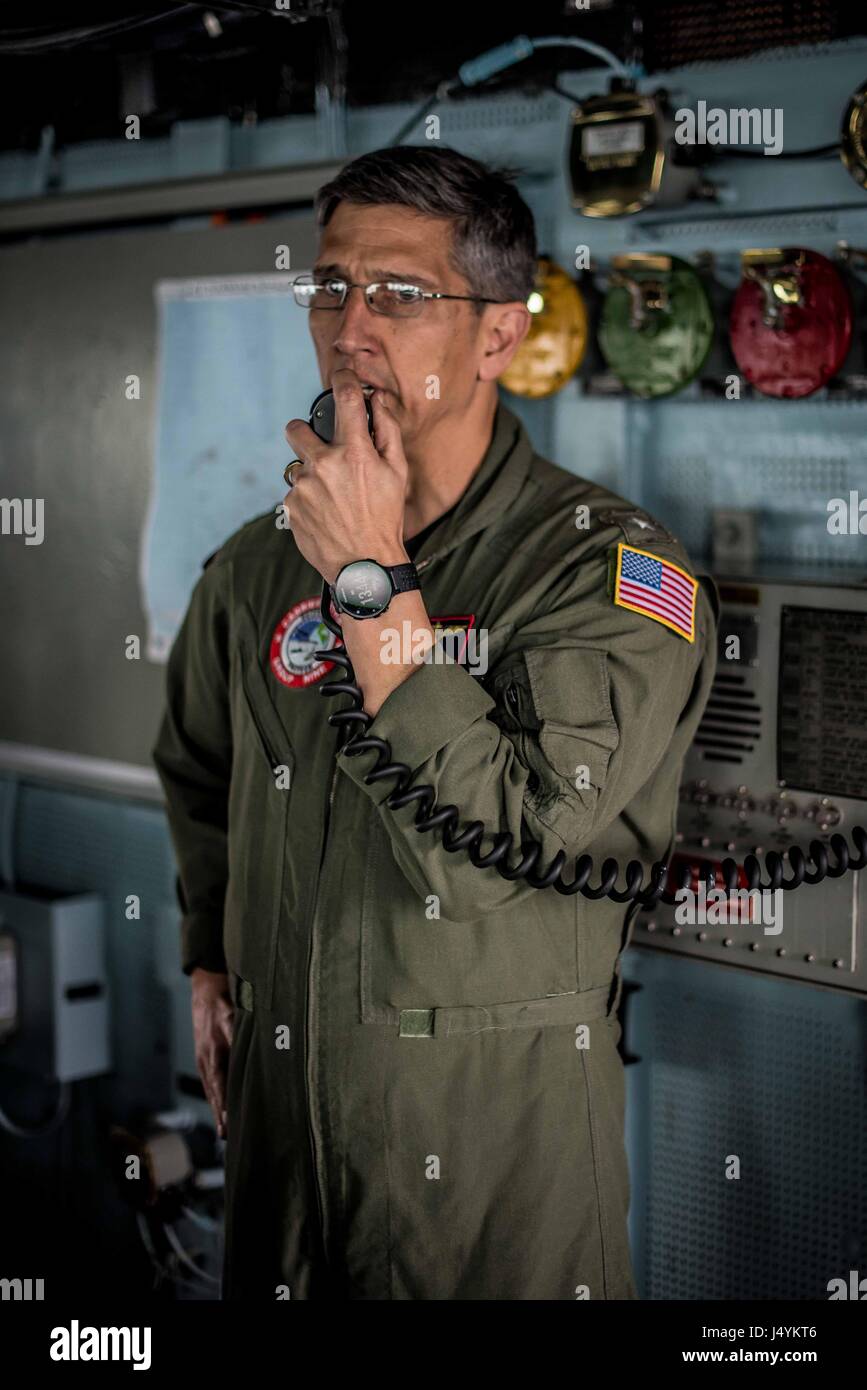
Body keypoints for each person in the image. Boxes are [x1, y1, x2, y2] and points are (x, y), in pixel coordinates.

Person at [152, 144, 719, 1300]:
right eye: (329, 288)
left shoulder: (606, 576)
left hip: (489, 1198)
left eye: (401, 296)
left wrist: (371, 575)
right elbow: (199, 768)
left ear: (500, 335)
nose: (350, 326)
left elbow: (505, 843)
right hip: (282, 1177)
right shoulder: (259, 566)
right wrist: (208, 954)